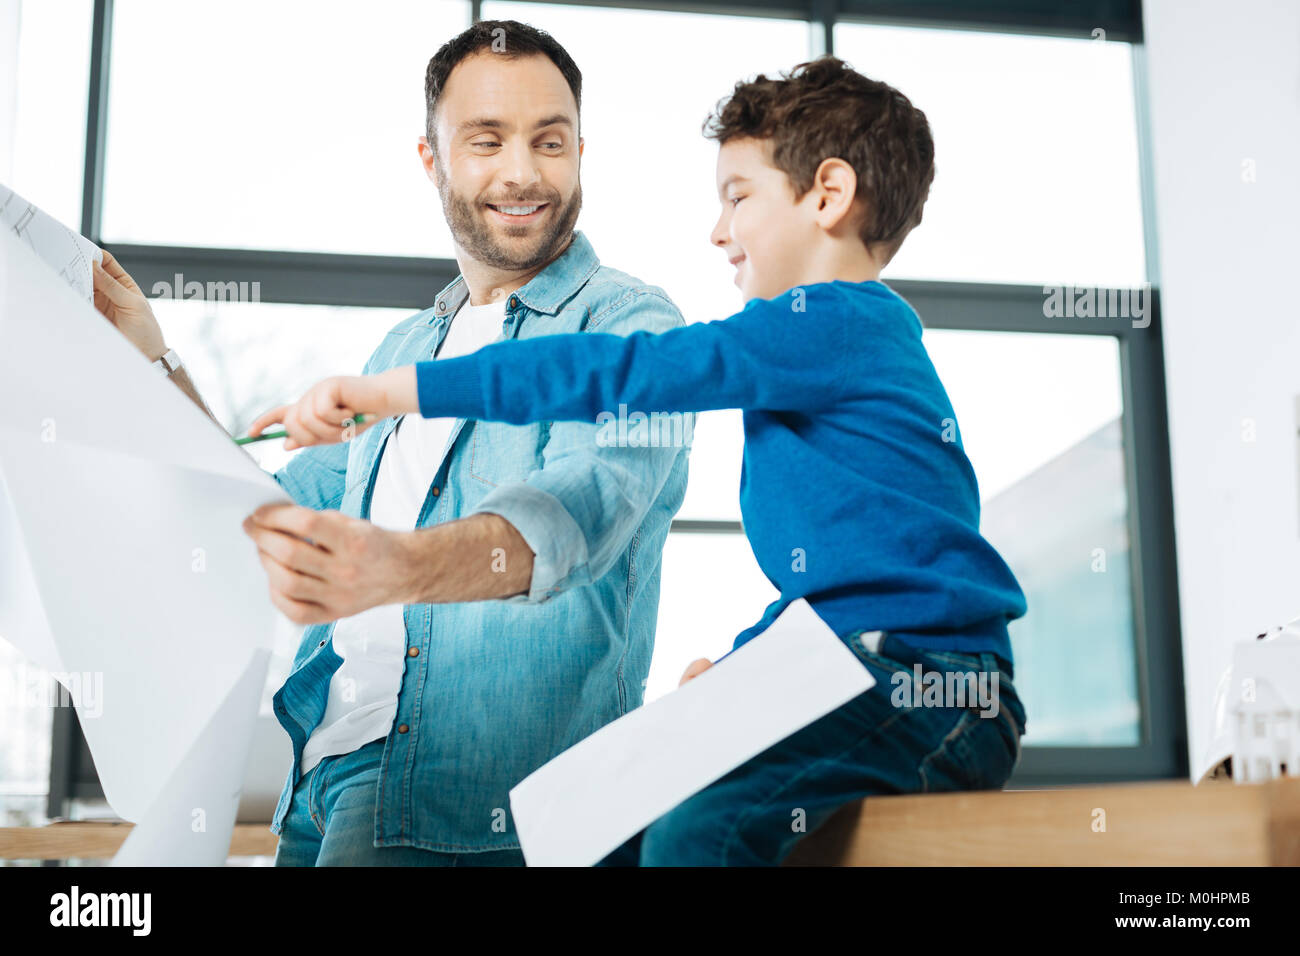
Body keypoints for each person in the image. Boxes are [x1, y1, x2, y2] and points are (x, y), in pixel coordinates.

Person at [249, 56, 1031, 866]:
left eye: (737, 198)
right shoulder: (829, 341)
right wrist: (743, 668)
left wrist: (394, 391)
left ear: (827, 195)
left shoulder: (826, 322)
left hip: (931, 689)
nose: (719, 232)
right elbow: (855, 578)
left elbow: (613, 373)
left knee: (699, 832)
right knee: (592, 805)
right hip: (864, 665)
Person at [91, 20, 690, 866]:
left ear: (581, 152)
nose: (522, 171)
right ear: (431, 160)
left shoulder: (631, 328)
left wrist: (394, 567)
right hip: (323, 777)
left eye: (549, 141)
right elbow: (263, 503)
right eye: (486, 140)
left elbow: (578, 515)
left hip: (473, 801)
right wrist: (149, 355)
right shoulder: (405, 352)